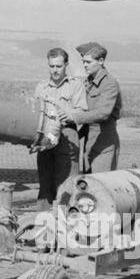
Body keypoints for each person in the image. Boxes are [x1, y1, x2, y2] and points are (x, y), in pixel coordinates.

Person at [32, 47, 87, 206]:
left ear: (66, 65)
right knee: (45, 182)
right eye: (52, 66)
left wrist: (68, 114)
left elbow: (82, 112)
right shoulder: (41, 87)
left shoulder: (75, 86)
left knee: (67, 184)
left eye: (59, 66)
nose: (55, 70)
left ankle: (68, 223)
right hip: (45, 139)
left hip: (67, 135)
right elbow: (35, 114)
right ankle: (43, 222)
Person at [60, 42, 123, 173]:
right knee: (88, 183)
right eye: (83, 62)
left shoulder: (109, 84)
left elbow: (103, 113)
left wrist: (74, 116)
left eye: (88, 62)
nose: (84, 65)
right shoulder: (88, 81)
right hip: (89, 138)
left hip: (104, 140)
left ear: (101, 61)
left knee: (101, 184)